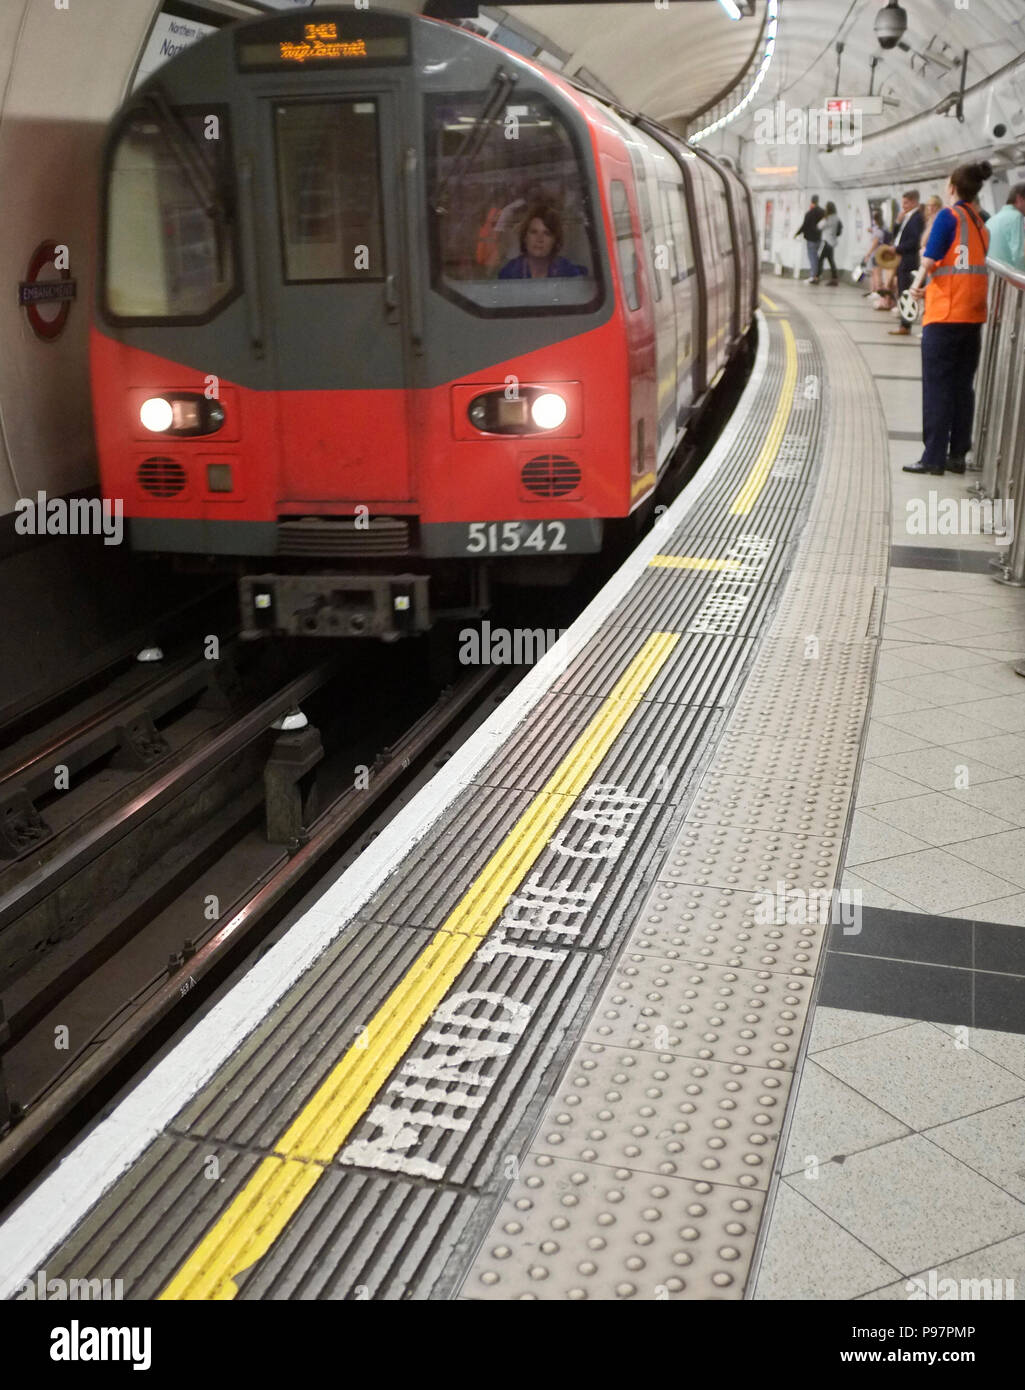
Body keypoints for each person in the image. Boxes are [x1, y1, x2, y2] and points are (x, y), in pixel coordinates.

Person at [904, 161, 992, 476]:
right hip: (973, 317)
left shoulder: (948, 216)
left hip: (944, 318)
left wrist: (916, 288)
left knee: (938, 386)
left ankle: (933, 458)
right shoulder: (981, 224)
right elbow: (963, 269)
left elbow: (930, 260)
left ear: (952, 187)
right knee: (961, 387)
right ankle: (957, 455)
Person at [498, 204, 587, 279]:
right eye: (534, 232)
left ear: (555, 241)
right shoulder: (509, 273)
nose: (539, 239)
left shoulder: (568, 272)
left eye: (547, 233)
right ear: (525, 237)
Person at [889, 189, 925, 335]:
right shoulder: (908, 217)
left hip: (910, 261)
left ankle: (905, 325)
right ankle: (904, 324)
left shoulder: (917, 219)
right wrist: (897, 222)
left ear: (914, 201)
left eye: (906, 202)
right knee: (902, 292)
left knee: (906, 293)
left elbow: (915, 241)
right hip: (904, 259)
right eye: (903, 202)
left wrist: (898, 248)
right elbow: (896, 235)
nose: (904, 206)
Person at [984, 183, 1025, 271]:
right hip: (1010, 278)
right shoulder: (1016, 217)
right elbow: (1019, 256)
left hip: (993, 276)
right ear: (1019, 199)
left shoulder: (991, 220)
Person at [793, 195, 826, 282]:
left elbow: (804, 226)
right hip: (819, 238)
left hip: (811, 239)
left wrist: (797, 234)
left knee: (812, 257)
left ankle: (813, 276)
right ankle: (817, 275)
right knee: (817, 257)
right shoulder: (823, 212)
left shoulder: (809, 213)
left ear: (811, 202)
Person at [819, 202, 840, 285]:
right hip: (832, 241)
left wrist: (824, 218)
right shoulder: (836, 218)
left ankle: (817, 276)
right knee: (831, 260)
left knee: (820, 258)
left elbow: (819, 226)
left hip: (826, 241)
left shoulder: (827, 218)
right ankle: (834, 278)